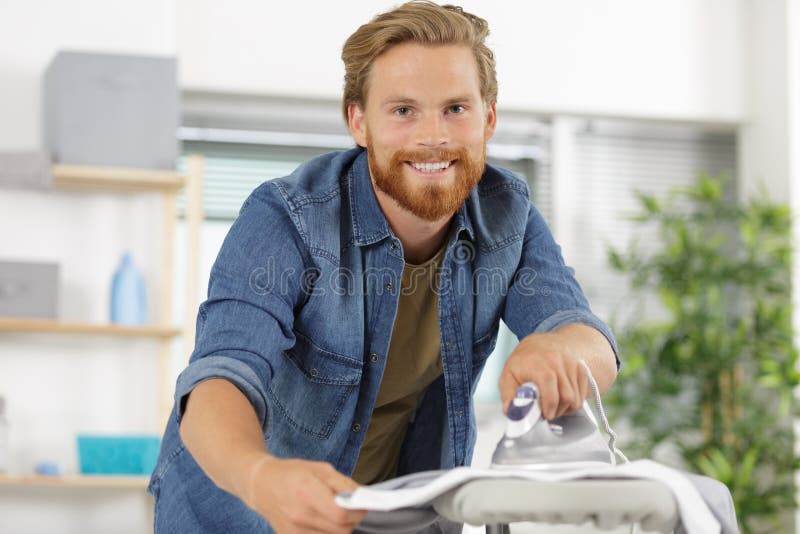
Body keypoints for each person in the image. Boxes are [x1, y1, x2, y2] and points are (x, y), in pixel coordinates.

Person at [148, 2, 619, 532]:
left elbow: (589, 340)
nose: (433, 136)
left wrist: (558, 349)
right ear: (358, 122)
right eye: (403, 111)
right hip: (244, 507)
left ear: (488, 117)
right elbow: (219, 378)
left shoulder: (508, 214)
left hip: (399, 510)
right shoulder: (287, 218)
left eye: (455, 109)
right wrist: (262, 477)